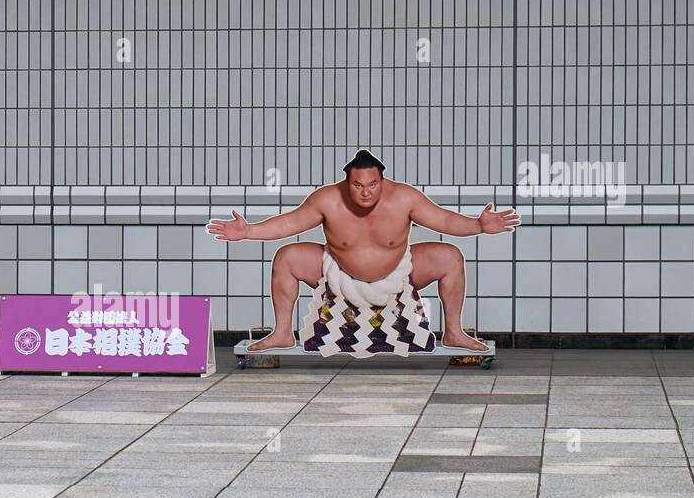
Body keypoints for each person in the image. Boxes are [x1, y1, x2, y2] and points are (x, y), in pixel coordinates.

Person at [207, 149, 520, 353]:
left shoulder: (404, 197)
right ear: (347, 183)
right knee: (287, 256)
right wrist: (249, 231)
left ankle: (453, 332)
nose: (366, 192)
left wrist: (478, 225)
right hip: (337, 274)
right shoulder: (328, 199)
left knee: (450, 256)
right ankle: (282, 333)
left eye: (373, 184)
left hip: (399, 274)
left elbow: (443, 219)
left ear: (382, 180)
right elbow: (291, 222)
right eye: (358, 185)